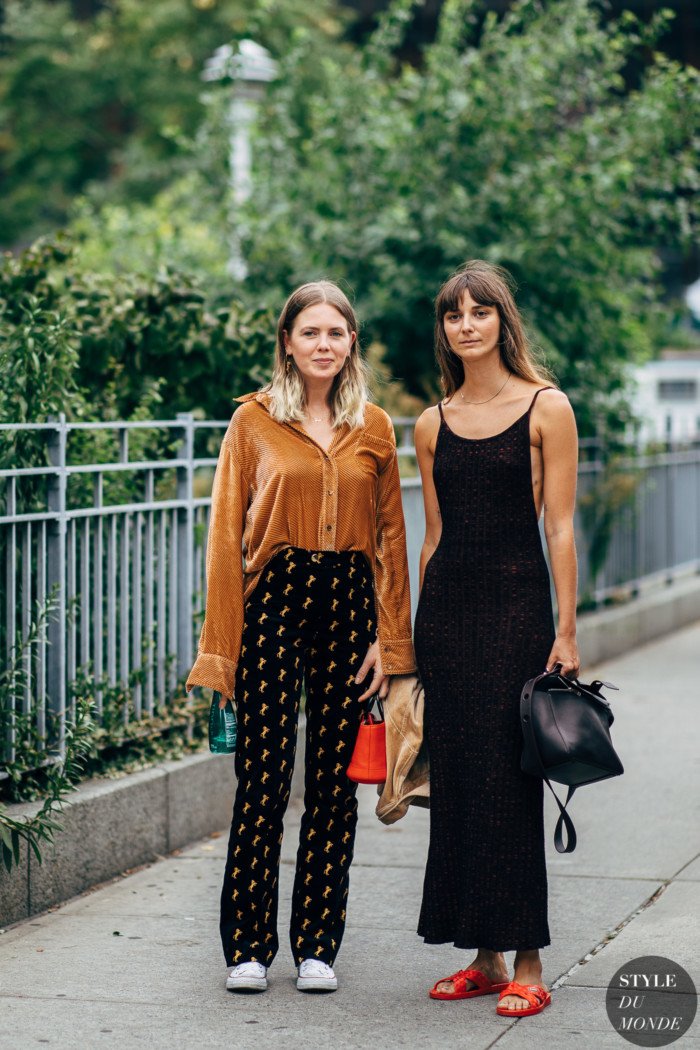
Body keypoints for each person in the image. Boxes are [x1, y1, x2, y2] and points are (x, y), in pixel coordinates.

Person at [186, 280, 415, 994]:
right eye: (309, 332)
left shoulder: (373, 426)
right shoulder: (252, 423)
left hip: (349, 606)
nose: (323, 344)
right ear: (287, 341)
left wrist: (391, 639)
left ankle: (317, 943)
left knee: (334, 785)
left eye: (336, 333)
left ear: (352, 344)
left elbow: (390, 537)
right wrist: (220, 652)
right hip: (273, 603)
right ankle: (248, 947)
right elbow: (226, 539)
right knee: (261, 780)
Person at [413, 260, 580, 1018]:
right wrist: (411, 640)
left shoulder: (547, 407)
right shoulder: (429, 422)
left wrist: (568, 630)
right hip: (446, 615)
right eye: (454, 315)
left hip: (517, 612)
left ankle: (529, 961)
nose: (467, 324)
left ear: (502, 322)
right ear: (444, 330)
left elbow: (561, 526)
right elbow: (432, 537)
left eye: (480, 312)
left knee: (509, 784)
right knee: (458, 784)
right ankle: (480, 958)